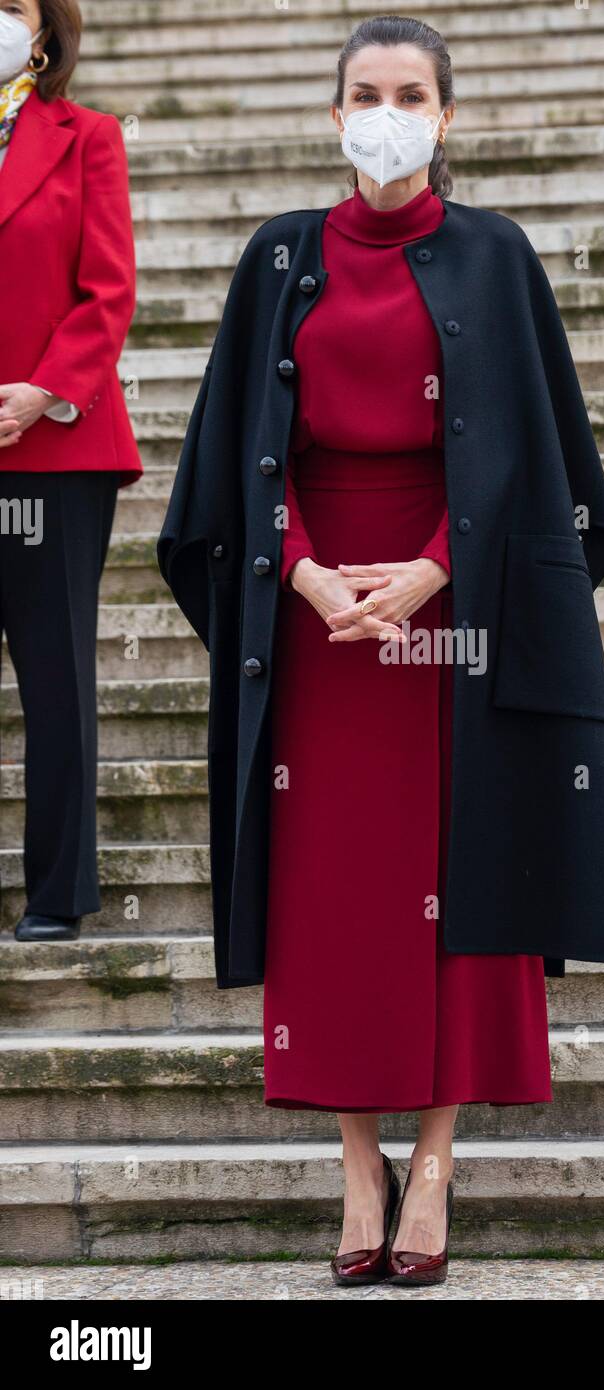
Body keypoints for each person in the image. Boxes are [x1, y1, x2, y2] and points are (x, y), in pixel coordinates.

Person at [158, 15, 604, 1289]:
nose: (386, 111)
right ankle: (356, 1162)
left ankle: (431, 1166)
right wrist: (305, 572)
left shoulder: (495, 256)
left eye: (410, 92)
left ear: (444, 114)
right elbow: (233, 456)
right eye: (364, 92)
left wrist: (432, 569)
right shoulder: (277, 258)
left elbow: (536, 460)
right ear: (332, 116)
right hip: (310, 618)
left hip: (455, 612)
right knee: (336, 893)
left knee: (459, 877)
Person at [0, 0, 141, 943]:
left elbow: (109, 287)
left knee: (54, 677)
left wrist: (39, 391)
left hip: (52, 448)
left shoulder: (86, 136)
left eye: (10, 4)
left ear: (45, 30)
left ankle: (57, 891)